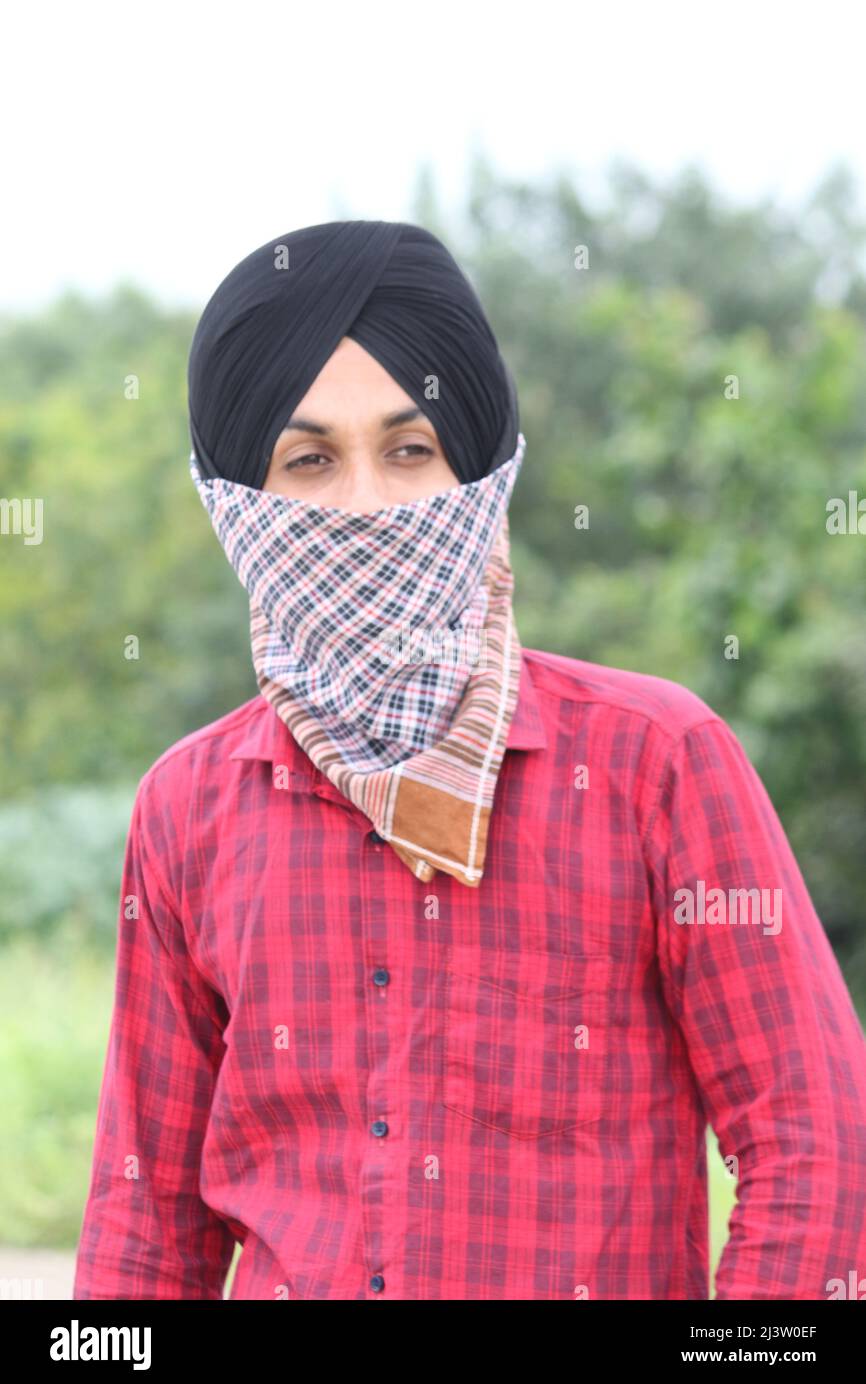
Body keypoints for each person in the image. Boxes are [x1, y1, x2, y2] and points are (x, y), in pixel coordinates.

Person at [73, 220, 866, 1301]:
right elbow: (143, 1225)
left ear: (479, 473)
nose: (364, 504)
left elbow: (813, 1142)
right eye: (307, 460)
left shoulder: (654, 762)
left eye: (409, 450)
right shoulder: (189, 807)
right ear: (236, 509)